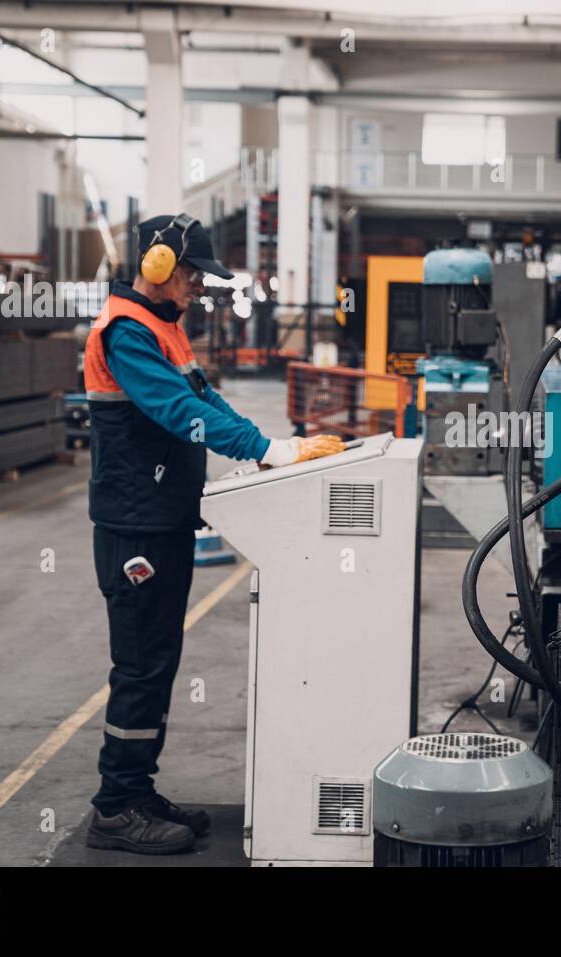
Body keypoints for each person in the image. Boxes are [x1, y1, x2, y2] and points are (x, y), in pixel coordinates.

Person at [82, 213, 342, 854]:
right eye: (195, 274)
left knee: (158, 662)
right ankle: (115, 807)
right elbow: (175, 413)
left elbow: (206, 401)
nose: (202, 286)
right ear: (160, 267)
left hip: (162, 520)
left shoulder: (164, 329)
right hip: (134, 526)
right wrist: (266, 449)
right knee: (140, 667)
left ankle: (137, 790)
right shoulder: (126, 332)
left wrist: (269, 450)